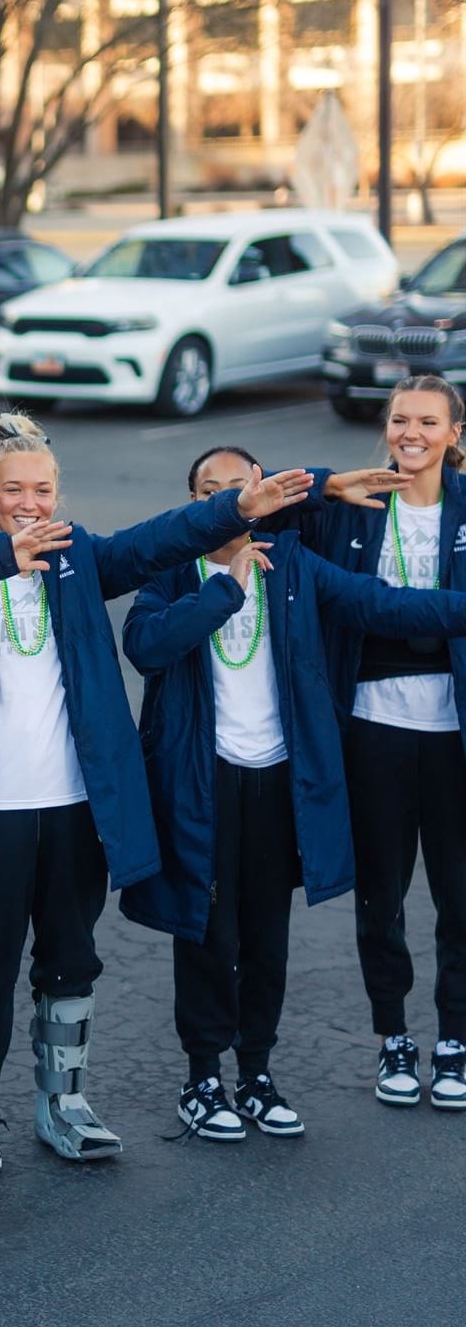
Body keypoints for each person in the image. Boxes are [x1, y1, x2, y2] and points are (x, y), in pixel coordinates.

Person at [0, 413, 313, 1172]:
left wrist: (235, 510)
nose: (30, 503)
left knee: (71, 958)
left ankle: (64, 1100)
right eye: (14, 489)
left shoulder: (80, 557)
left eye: (43, 489)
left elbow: (154, 541)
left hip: (74, 804)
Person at [123, 445, 466, 1142]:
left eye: (237, 487)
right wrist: (225, 587)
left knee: (267, 939)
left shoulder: (293, 564)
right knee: (208, 935)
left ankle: (255, 1074)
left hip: (276, 778)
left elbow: (383, 604)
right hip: (205, 780)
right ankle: (202, 1078)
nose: (225, 500)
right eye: (209, 491)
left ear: (260, 493)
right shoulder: (171, 571)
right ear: (194, 505)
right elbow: (148, 647)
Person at [290, 375, 466, 1112]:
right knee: (381, 895)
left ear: (455, 432)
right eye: (400, 420)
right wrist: (328, 485)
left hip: (453, 733)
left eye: (428, 420)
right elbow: (261, 512)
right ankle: (393, 1034)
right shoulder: (353, 507)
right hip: (373, 727)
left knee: (459, 898)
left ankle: (455, 1038)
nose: (411, 432)